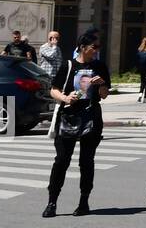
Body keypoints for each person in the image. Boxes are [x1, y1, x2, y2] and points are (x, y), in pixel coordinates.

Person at [42, 33, 109, 217]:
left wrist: (102, 84)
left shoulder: (99, 66)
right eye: (93, 47)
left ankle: (84, 201)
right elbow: (54, 89)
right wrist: (65, 98)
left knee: (86, 162)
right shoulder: (68, 65)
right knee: (62, 160)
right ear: (82, 46)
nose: (96, 50)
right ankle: (52, 202)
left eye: (98, 47)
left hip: (91, 117)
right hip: (68, 116)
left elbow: (104, 95)